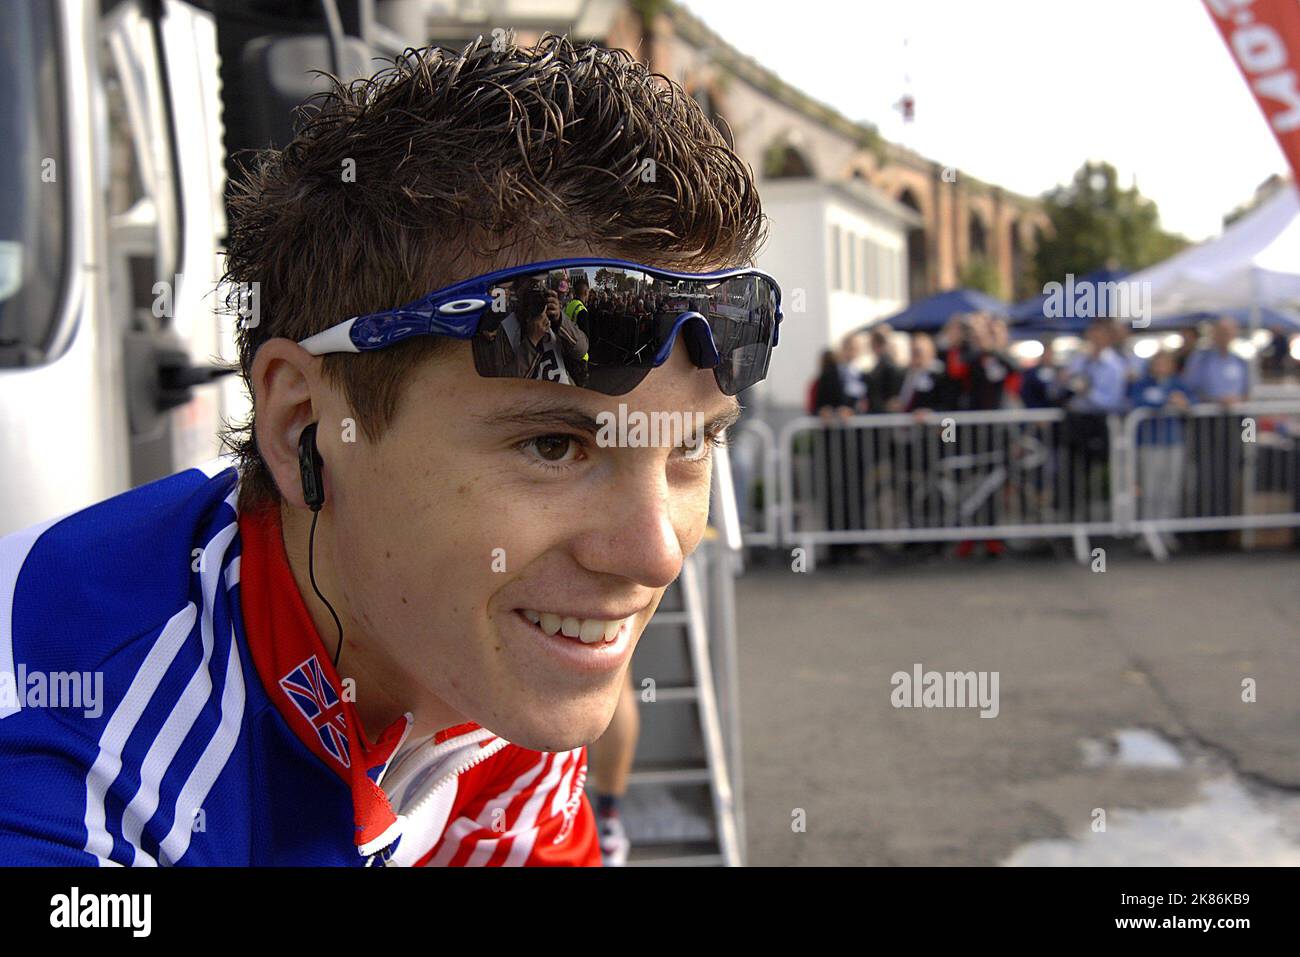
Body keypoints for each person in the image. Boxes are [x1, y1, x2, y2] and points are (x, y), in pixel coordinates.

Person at [0, 33, 779, 866]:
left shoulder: (469, 641)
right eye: (554, 444)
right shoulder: (70, 778)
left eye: (694, 443)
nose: (655, 552)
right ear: (307, 425)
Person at [1128, 350, 1192, 549]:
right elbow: (1138, 402)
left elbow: (1192, 401)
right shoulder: (1142, 383)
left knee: (1170, 488)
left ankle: (1166, 531)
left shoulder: (1178, 383)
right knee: (1150, 488)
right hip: (1150, 443)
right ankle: (1148, 532)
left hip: (1173, 442)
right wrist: (1165, 401)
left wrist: (1184, 404)